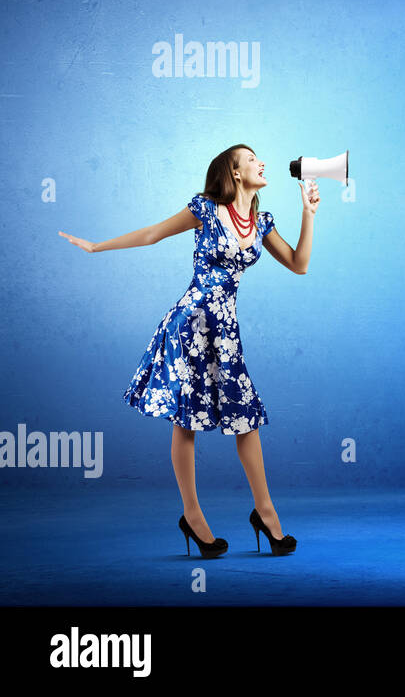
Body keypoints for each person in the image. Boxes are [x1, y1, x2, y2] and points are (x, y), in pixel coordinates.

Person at [59, 144, 318, 557]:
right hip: (190, 325)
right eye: (251, 159)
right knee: (187, 419)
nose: (261, 162)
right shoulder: (206, 209)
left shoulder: (260, 220)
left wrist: (308, 212)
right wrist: (96, 246)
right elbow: (152, 234)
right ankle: (194, 517)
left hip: (225, 331)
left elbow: (299, 263)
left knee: (245, 418)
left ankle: (266, 514)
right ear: (233, 172)